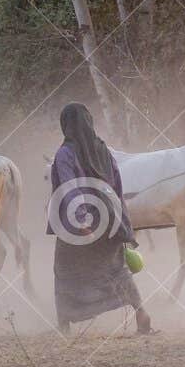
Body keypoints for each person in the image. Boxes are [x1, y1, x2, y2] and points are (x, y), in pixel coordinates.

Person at [47, 102, 154, 335]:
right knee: (116, 270)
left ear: (65, 125)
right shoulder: (103, 150)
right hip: (109, 222)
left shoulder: (65, 153)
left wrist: (81, 219)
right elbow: (116, 187)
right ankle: (141, 314)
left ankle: (64, 325)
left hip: (77, 228)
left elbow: (69, 186)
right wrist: (123, 224)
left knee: (65, 272)